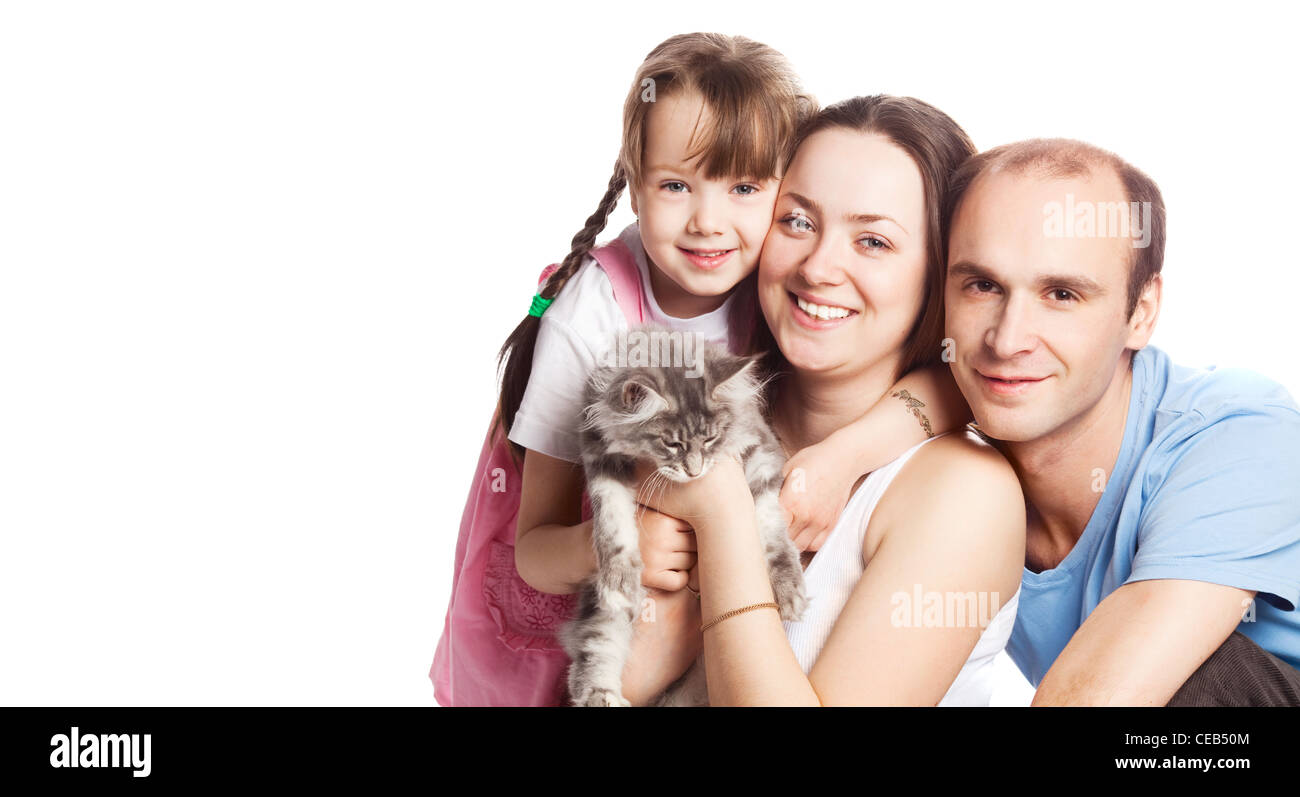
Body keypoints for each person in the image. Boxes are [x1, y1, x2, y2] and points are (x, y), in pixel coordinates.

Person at [431, 35, 970, 706]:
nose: (708, 223)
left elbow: (955, 385)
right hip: (573, 607)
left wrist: (841, 459)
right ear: (633, 186)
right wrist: (617, 544)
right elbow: (533, 547)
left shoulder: (772, 279)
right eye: (675, 186)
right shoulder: (591, 319)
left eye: (744, 187)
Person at [624, 95, 1026, 706]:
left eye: (873, 241)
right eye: (798, 222)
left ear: (940, 271)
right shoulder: (699, 413)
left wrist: (720, 510)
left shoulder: (965, 492)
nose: (818, 268)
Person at [942, 138, 1300, 705]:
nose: (1007, 340)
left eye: (1062, 294)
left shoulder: (1242, 431)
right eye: (983, 285)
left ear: (1141, 312)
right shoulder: (946, 466)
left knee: (1205, 675)